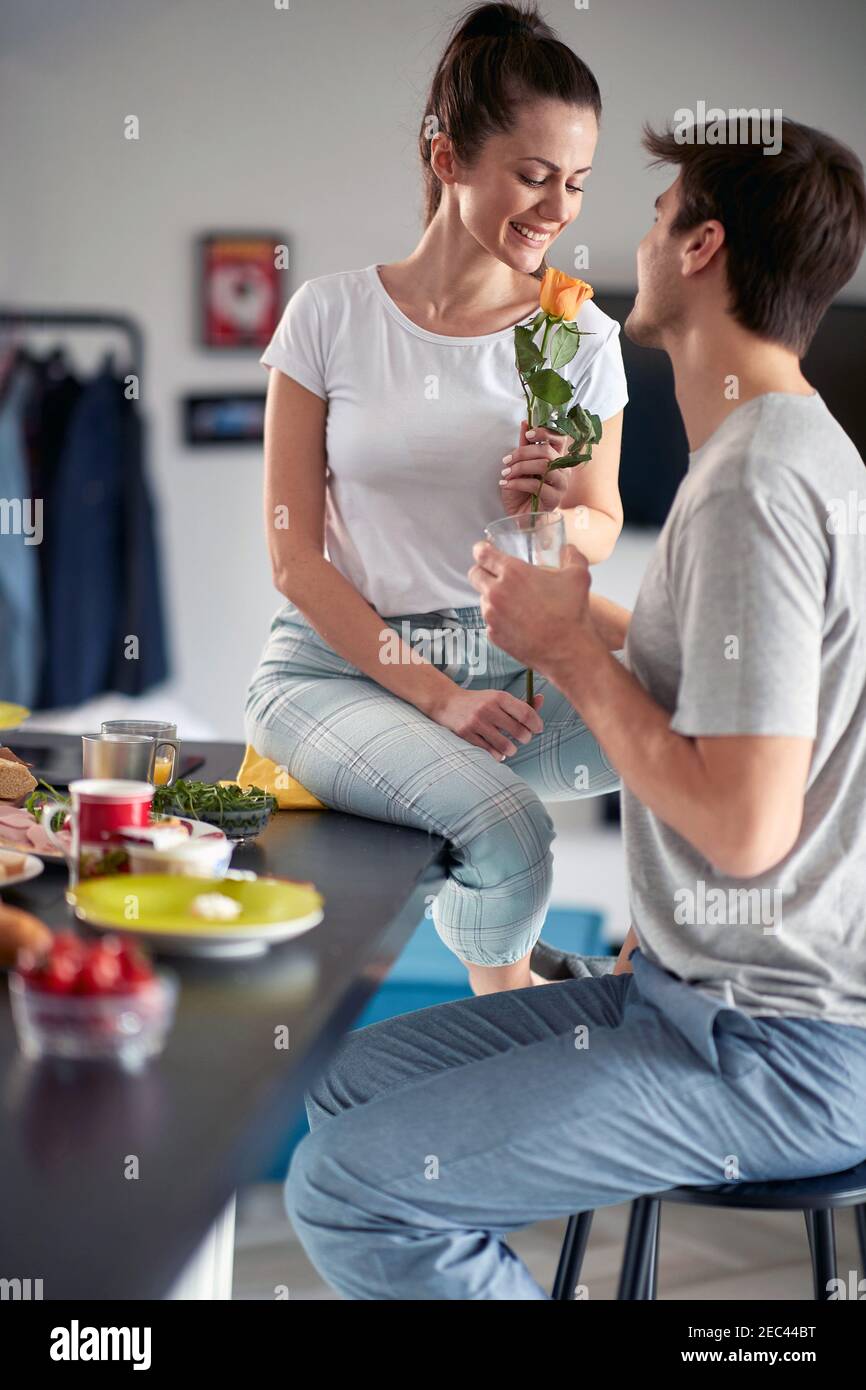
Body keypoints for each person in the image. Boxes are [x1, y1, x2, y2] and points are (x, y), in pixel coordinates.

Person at [284, 112, 866, 1300]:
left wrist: (570, 653)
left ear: (699, 247)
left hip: (771, 1050)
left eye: (650, 215)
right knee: (348, 1087)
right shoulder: (791, 451)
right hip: (698, 1000)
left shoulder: (752, 485)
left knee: (345, 1182)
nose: (619, 238)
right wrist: (571, 619)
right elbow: (706, 683)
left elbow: (744, 826)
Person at [244, 3, 627, 996]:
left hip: (502, 668)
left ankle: (653, 976)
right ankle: (510, 1026)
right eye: (533, 175)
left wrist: (550, 513)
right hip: (335, 673)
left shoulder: (581, 339)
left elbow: (600, 519)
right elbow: (292, 557)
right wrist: (437, 696)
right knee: (509, 828)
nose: (556, 209)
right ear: (448, 155)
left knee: (710, 715)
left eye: (576, 183)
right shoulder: (328, 314)